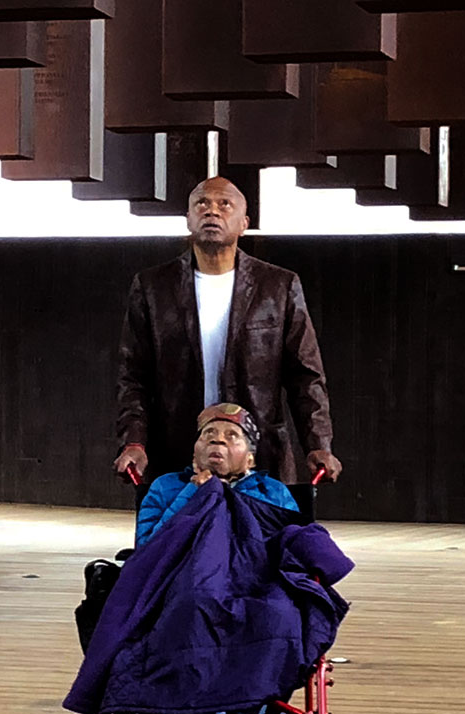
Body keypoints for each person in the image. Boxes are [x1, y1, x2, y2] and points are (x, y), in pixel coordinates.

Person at [113, 177, 344, 492]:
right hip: (177, 453)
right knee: (180, 539)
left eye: (224, 205)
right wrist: (134, 442)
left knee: (261, 540)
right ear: (189, 219)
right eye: (202, 204)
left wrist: (319, 444)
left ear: (244, 223)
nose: (212, 211)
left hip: (259, 454)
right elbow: (134, 377)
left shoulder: (278, 286)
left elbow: (306, 376)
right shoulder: (153, 287)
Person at [135, 404, 298, 714]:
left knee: (280, 620)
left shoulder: (271, 492)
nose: (218, 443)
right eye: (208, 436)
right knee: (190, 611)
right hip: (185, 585)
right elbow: (148, 546)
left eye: (231, 438)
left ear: (251, 457)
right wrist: (194, 493)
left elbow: (291, 547)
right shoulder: (166, 488)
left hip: (252, 587)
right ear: (194, 450)